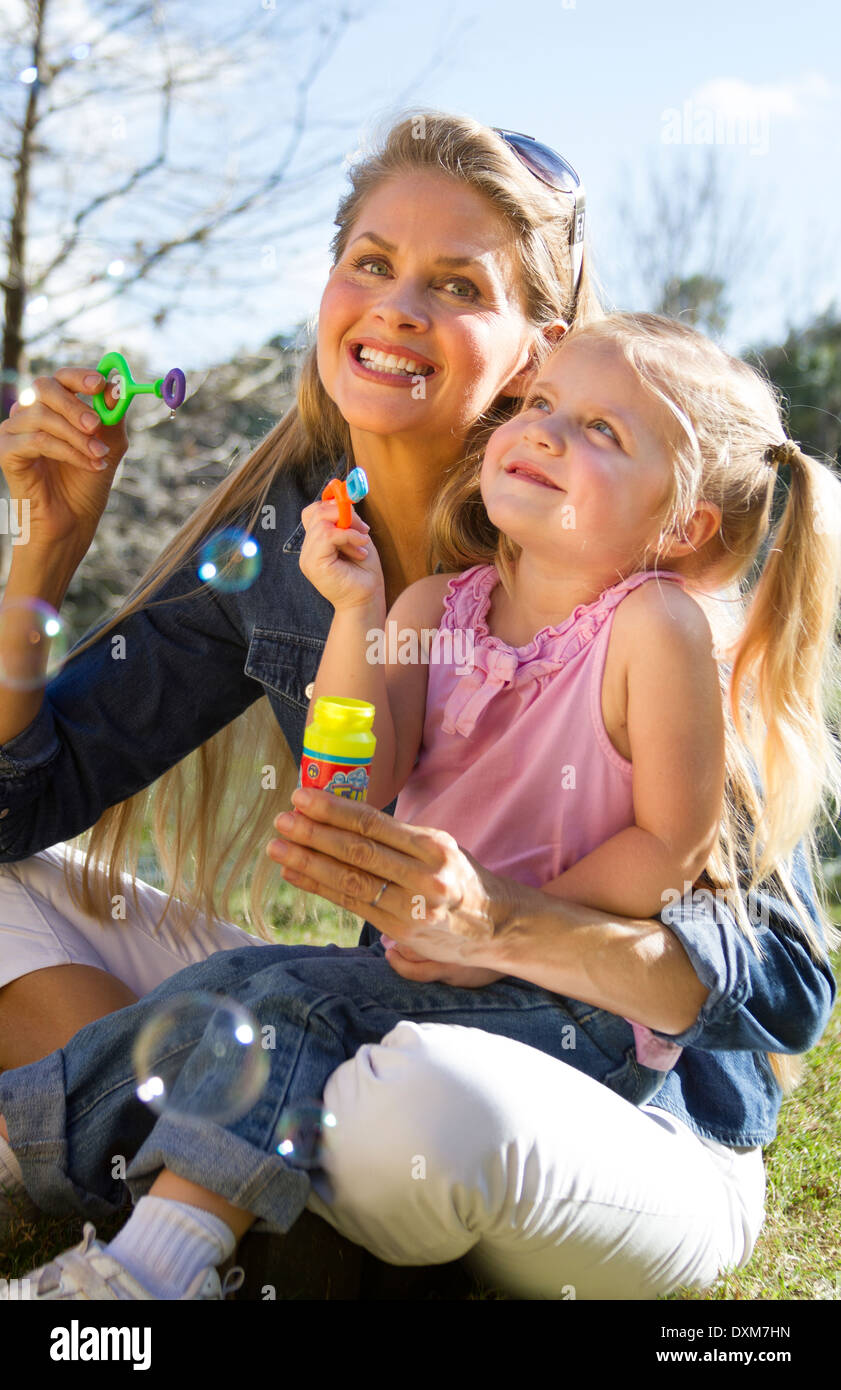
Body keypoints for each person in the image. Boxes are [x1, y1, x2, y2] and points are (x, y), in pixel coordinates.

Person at [0, 109, 835, 1299]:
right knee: (83, 928)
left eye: (457, 283)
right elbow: (30, 805)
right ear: (330, 288)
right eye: (373, 264)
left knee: (402, 1108)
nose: (399, 306)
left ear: (539, 347)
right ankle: (237, 1193)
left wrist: (500, 919)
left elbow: (784, 986)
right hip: (397, 1015)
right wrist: (39, 552)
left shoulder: (636, 593)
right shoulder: (302, 539)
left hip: (621, 1107)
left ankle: (139, 1178)